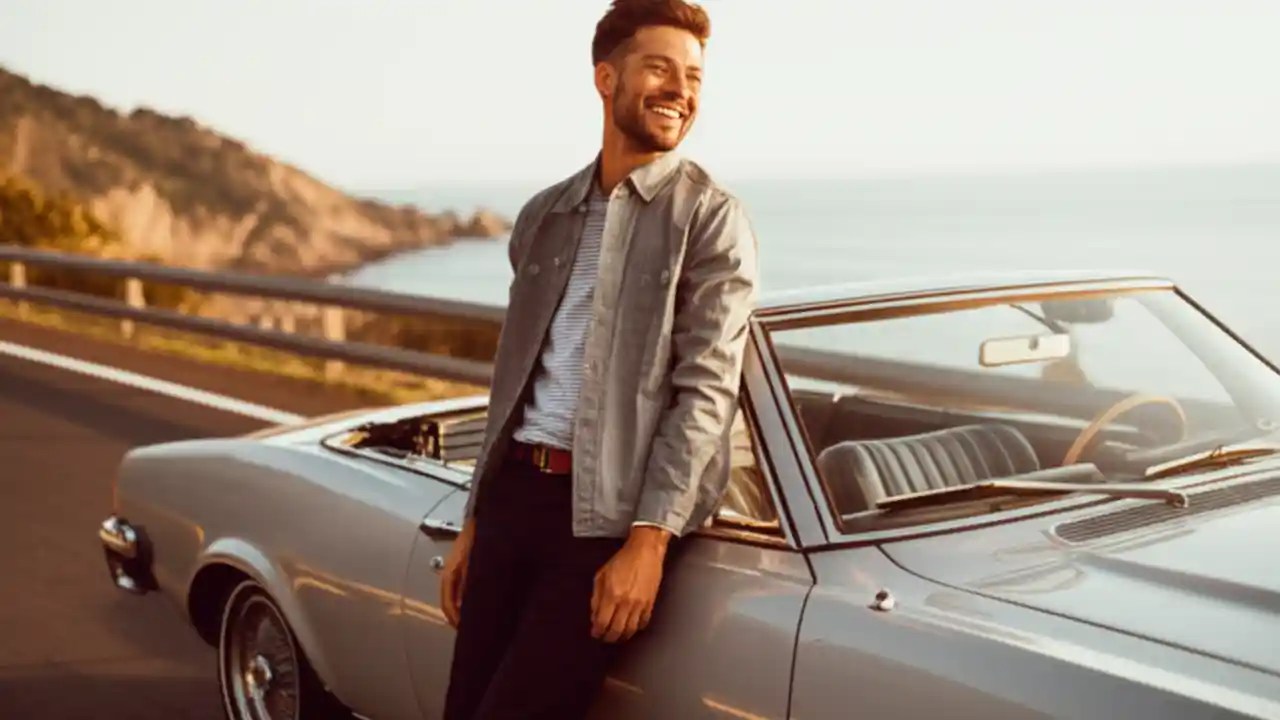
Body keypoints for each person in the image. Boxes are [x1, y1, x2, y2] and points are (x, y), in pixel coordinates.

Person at [438, 0, 758, 717]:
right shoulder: (544, 215)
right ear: (605, 78)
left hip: (603, 522)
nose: (681, 89)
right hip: (515, 496)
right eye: (660, 69)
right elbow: (512, 379)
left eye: (695, 76)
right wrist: (475, 522)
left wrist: (649, 543)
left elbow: (706, 390)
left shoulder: (710, 219)